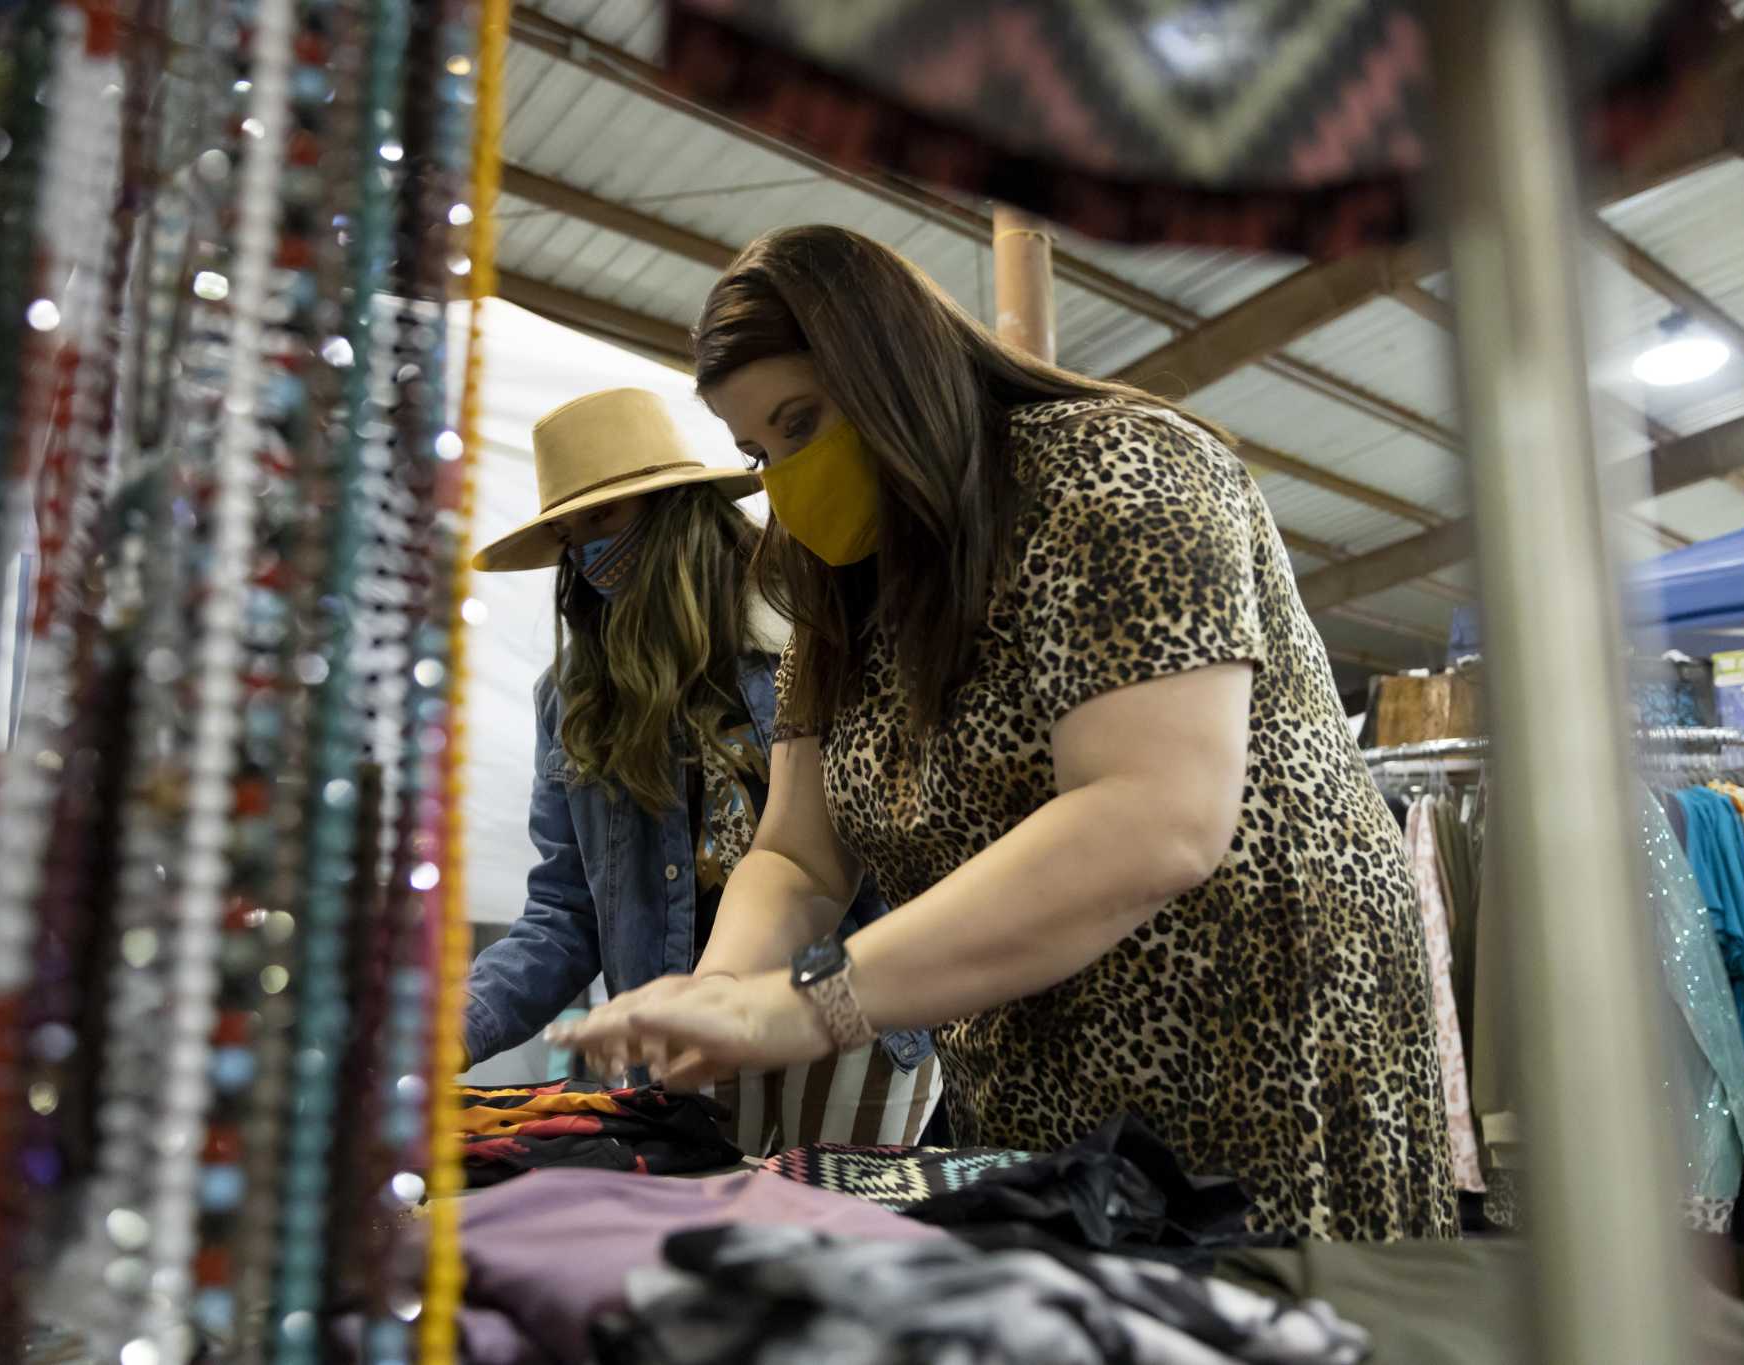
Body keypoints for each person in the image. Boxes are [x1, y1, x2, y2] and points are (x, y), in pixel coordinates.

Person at [558, 228, 1458, 1240]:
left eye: (801, 422)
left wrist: (808, 1006)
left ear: (887, 369)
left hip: (1253, 1039)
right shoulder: (836, 597)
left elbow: (1149, 820)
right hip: (1026, 1057)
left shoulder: (1117, 470)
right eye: (758, 451)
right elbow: (798, 854)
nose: (783, 479)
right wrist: (719, 991)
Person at [462, 386, 938, 1153]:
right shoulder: (575, 700)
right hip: (688, 1028)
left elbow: (882, 846)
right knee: (708, 1231)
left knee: (842, 1230)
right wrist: (459, 1019)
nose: (587, 553)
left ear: (675, 508)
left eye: (604, 518)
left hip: (850, 1013)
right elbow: (564, 913)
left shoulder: (812, 634)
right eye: (570, 533)